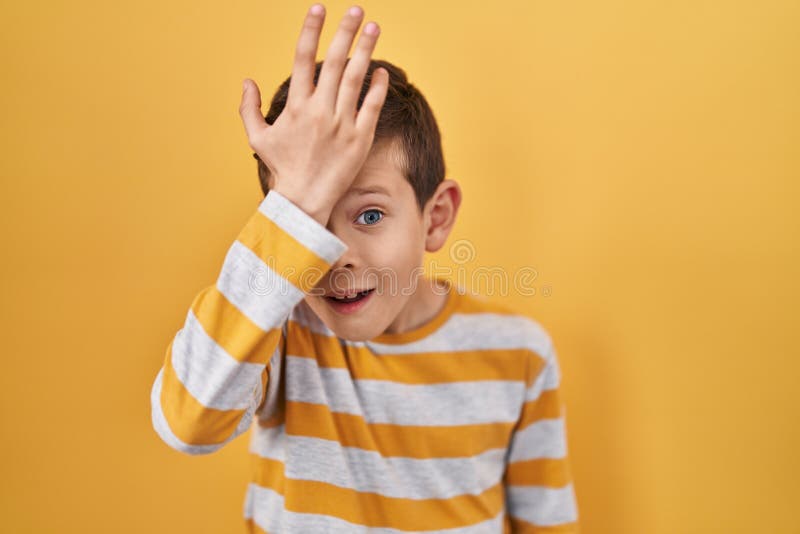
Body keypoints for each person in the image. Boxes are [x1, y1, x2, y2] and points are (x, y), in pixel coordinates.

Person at [149, 3, 580, 532]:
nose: (335, 253)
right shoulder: (275, 336)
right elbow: (188, 422)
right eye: (309, 221)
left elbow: (547, 522)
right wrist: (291, 205)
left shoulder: (518, 355)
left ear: (435, 217)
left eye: (369, 214)